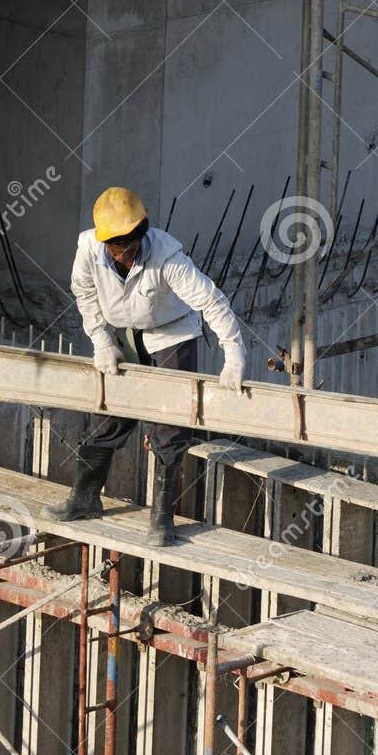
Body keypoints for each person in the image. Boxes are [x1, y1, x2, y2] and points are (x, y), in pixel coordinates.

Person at [44, 186, 247, 546]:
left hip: (173, 334)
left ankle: (161, 520)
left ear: (142, 234)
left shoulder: (169, 257)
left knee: (168, 426)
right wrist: (102, 340)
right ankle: (84, 498)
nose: (123, 254)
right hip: (127, 333)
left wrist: (233, 353)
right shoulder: (89, 249)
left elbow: (211, 302)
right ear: (104, 241)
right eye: (117, 247)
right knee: (107, 415)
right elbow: (85, 294)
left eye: (130, 246)